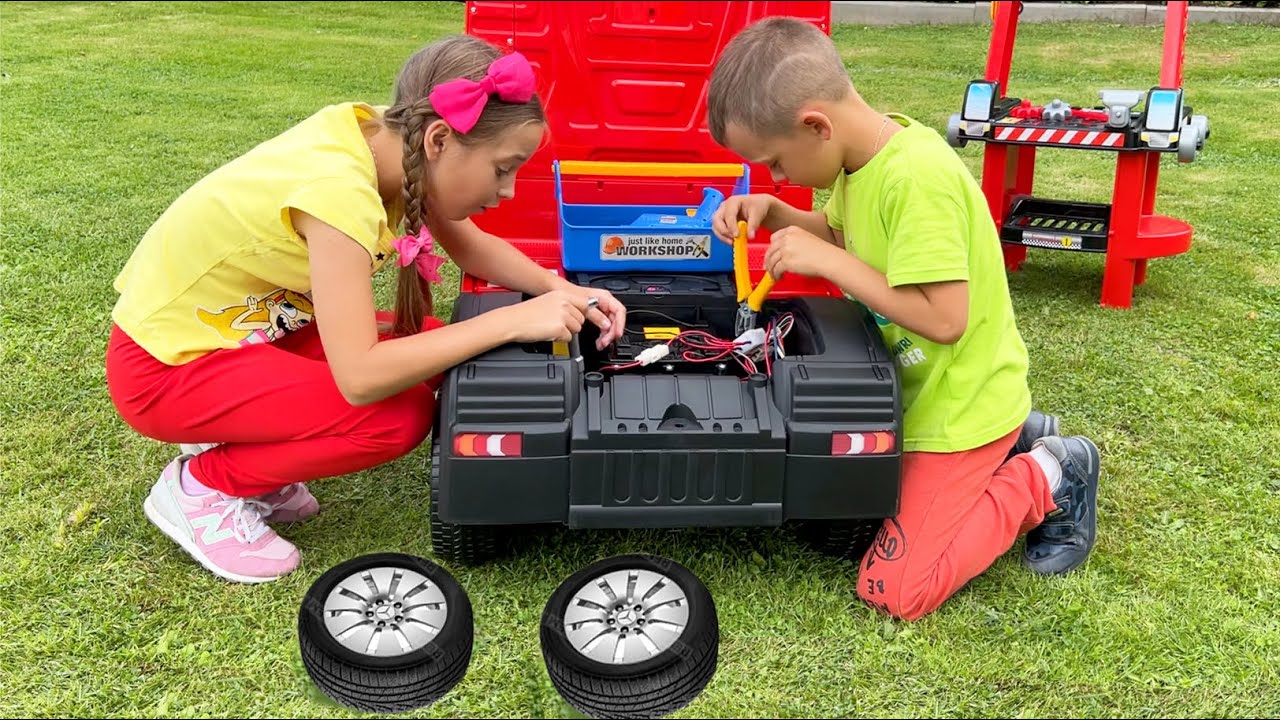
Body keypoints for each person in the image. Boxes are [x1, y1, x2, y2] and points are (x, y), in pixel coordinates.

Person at [106, 36, 626, 584]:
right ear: (440, 139)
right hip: (166, 369)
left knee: (430, 347)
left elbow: (468, 244)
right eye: (503, 168)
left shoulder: (388, 138)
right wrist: (511, 319)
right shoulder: (338, 196)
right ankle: (204, 486)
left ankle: (255, 448)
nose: (510, 190)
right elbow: (360, 377)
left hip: (254, 330)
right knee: (393, 419)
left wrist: (557, 289)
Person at [705, 17, 1101, 621]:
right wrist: (780, 213)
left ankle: (1052, 471)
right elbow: (846, 233)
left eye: (776, 164)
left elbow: (944, 320)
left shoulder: (916, 178)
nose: (778, 177)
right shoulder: (858, 161)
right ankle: (1021, 433)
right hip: (912, 395)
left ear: (816, 124)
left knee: (896, 591)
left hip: (959, 407)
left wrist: (830, 260)